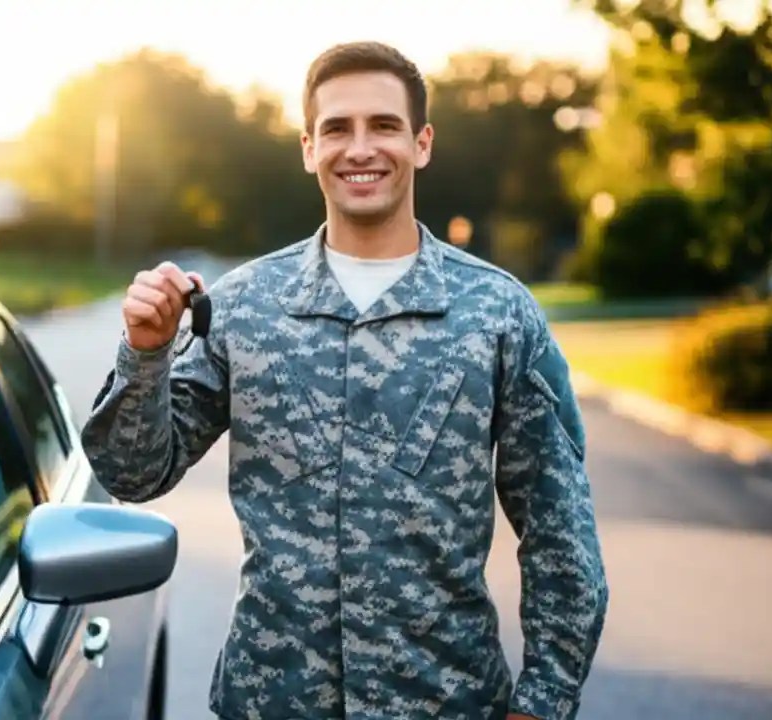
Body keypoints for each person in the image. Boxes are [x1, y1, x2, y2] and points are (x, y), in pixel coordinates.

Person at [81, 40, 609, 720]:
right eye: (337, 128)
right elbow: (134, 473)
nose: (360, 148)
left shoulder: (498, 314)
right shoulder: (244, 307)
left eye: (383, 125)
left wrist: (544, 699)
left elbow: (559, 528)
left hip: (445, 701)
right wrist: (145, 353)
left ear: (421, 143)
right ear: (309, 148)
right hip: (274, 700)